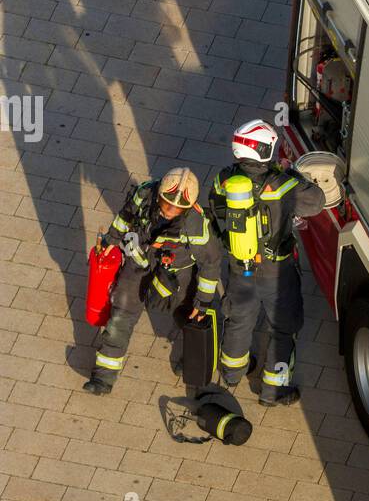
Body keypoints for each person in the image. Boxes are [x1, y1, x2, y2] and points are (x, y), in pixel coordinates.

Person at [209, 119, 325, 406]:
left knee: (238, 321)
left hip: (240, 266)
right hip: (278, 271)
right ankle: (274, 390)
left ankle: (232, 374)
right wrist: (293, 173)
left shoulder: (223, 180)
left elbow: (214, 210)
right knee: (283, 328)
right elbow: (317, 201)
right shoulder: (283, 185)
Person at [84, 168, 221, 395]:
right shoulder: (144, 194)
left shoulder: (196, 225)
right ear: (159, 194)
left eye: (178, 208)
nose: (171, 210)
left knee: (188, 316)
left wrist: (203, 301)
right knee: (121, 315)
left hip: (176, 274)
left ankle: (192, 363)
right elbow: (124, 216)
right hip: (138, 262)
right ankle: (103, 377)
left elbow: (211, 263)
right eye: (167, 203)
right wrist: (112, 239)